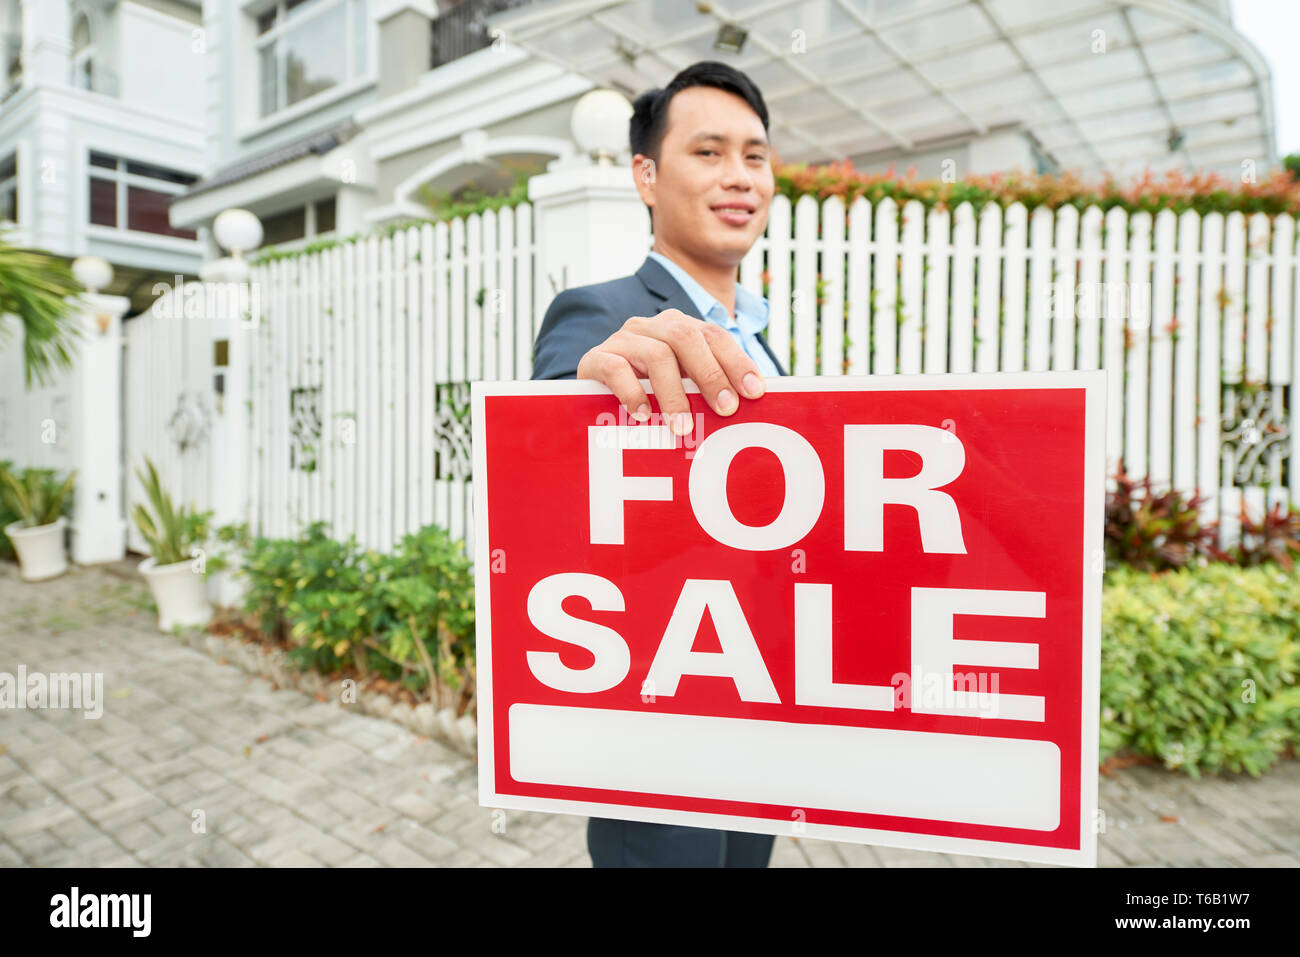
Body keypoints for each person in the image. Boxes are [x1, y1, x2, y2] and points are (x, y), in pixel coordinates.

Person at [530, 60, 784, 867]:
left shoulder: (765, 340)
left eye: (756, 154)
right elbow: (539, 453)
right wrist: (589, 380)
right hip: (656, 711)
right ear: (645, 174)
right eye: (708, 152)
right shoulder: (600, 314)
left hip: (762, 702)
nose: (739, 176)